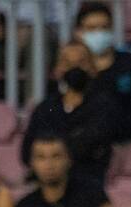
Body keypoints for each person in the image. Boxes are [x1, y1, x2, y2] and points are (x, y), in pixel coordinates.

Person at [20, 40, 120, 188]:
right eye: (67, 62)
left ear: (93, 68)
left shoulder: (104, 105)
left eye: (81, 62)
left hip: (89, 185)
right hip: (44, 186)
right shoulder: (46, 107)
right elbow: (27, 151)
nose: (74, 68)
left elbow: (90, 143)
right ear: (57, 70)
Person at [74, 1, 131, 142]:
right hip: (94, 148)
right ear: (78, 33)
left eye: (104, 27)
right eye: (91, 28)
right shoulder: (74, 71)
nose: (99, 33)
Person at [14, 135, 114, 207]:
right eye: (41, 157)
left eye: (56, 156)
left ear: (69, 159)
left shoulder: (93, 195)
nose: (49, 164)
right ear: (32, 163)